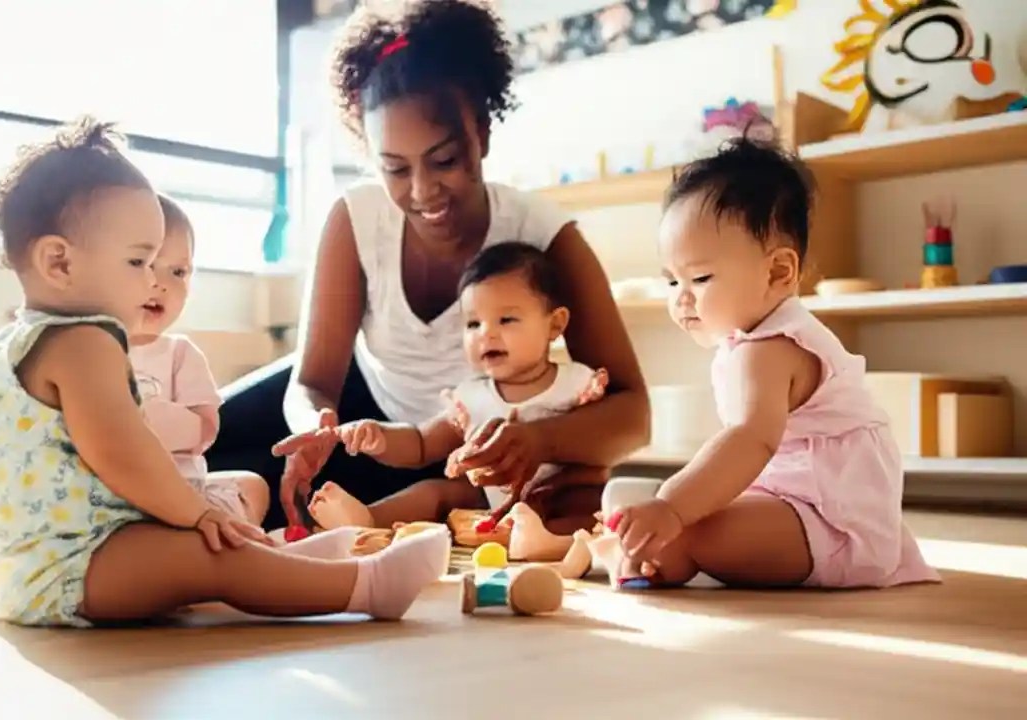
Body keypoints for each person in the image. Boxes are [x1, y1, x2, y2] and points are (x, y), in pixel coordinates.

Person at [0, 117, 451, 628]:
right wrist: (197, 513)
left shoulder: (18, 342)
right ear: (59, 263)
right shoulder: (85, 343)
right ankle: (364, 587)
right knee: (213, 553)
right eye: (138, 262)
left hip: (40, 563)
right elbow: (124, 455)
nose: (153, 280)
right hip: (74, 565)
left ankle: (299, 562)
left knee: (213, 540)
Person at [206, 0, 650, 534]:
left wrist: (539, 439)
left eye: (443, 161)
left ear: (481, 135)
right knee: (195, 441)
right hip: (364, 415)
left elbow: (634, 416)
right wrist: (315, 427)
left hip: (461, 451)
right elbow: (312, 383)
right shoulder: (357, 218)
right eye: (394, 168)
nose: (421, 192)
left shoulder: (543, 235)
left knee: (278, 507)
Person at [600, 136, 941, 590]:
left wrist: (673, 506)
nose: (681, 298)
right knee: (636, 502)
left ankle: (652, 551)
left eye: (700, 278)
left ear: (778, 273)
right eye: (671, 280)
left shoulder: (772, 347)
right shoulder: (751, 340)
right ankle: (642, 550)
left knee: (689, 525)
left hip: (832, 526)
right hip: (795, 502)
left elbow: (750, 441)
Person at [306, 241, 609, 531]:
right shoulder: (471, 398)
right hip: (491, 506)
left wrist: (568, 480)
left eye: (506, 319)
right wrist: (379, 436)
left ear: (555, 325)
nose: (486, 335)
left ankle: (548, 540)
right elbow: (422, 443)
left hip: (556, 498)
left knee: (590, 499)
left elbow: (599, 451)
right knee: (437, 493)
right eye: (473, 324)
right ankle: (366, 519)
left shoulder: (577, 384)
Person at [129, 194, 270, 526]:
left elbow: (207, 427)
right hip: (111, 494)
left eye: (178, 271)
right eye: (146, 265)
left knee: (252, 487)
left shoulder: (180, 353)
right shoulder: (87, 349)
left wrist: (161, 421)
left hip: (183, 494)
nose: (162, 284)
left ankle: (206, 543)